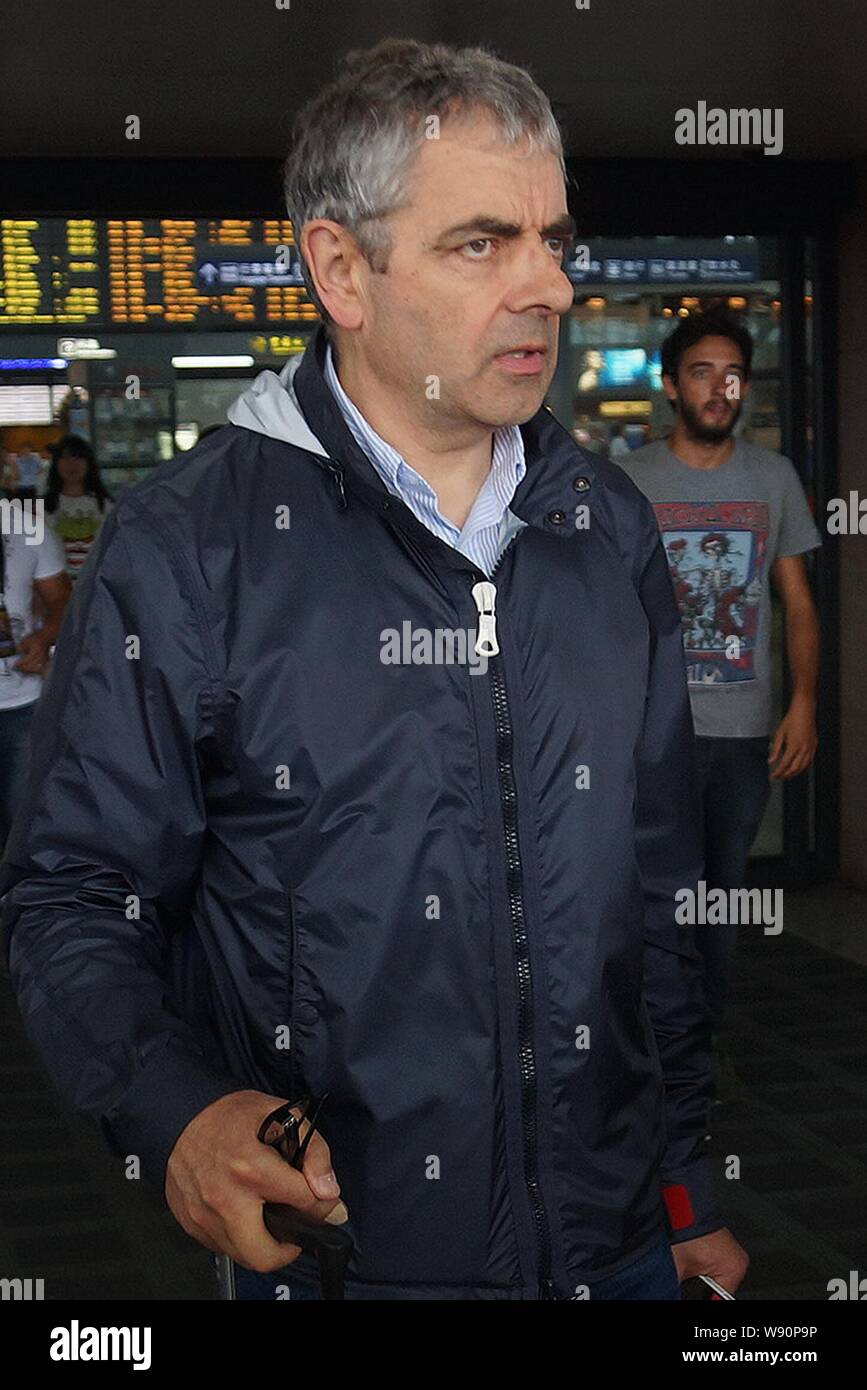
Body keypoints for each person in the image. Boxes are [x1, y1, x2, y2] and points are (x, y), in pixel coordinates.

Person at [0, 38, 747, 1301]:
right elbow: (73, 895)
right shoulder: (191, 545)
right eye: (482, 243)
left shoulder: (604, 526)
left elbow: (660, 905)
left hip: (616, 1247)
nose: (549, 286)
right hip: (353, 1263)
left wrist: (684, 1190)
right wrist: (177, 1111)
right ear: (341, 269)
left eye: (554, 239)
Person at [618, 309, 821, 1096]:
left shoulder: (771, 479)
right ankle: (646, 1053)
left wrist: (802, 704)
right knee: (645, 901)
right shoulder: (630, 480)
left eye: (730, 372)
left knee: (716, 903)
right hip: (651, 736)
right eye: (700, 371)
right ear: (671, 385)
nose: (718, 386)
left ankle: (698, 1053)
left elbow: (796, 603)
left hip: (740, 734)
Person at [0, 522, 71, 851]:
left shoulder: (26, 526)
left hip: (21, 703)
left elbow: (63, 601)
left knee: (23, 824)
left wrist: (42, 639)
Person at [44, 434, 114, 582]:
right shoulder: (42, 509)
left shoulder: (106, 507)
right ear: (56, 463)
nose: (72, 464)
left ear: (89, 463)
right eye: (65, 458)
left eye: (78, 457)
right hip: (58, 593)